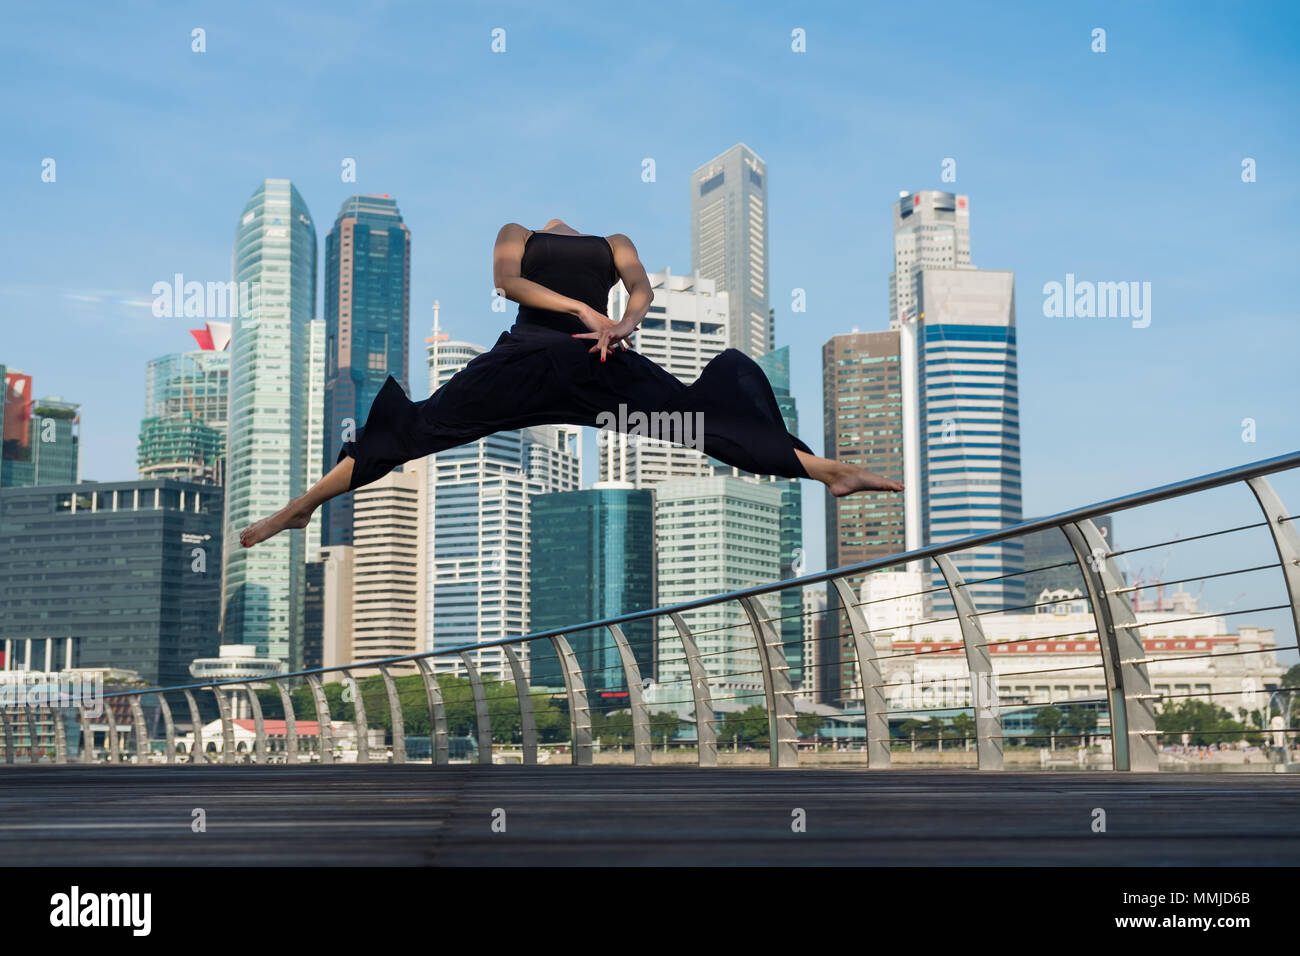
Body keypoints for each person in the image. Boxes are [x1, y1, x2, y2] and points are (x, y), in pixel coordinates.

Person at [240, 219, 902, 547]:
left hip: (597, 362)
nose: (558, 229)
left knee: (696, 422)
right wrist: (585, 310)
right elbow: (508, 283)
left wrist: (623, 322)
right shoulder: (517, 233)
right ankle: (302, 507)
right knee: (417, 428)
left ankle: (826, 471)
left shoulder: (612, 240)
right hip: (528, 359)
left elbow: (641, 289)